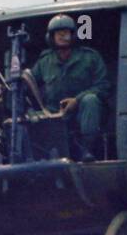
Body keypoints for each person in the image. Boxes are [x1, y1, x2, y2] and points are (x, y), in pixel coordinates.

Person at [28, 14, 111, 161]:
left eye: (65, 32)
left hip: (82, 113)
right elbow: (30, 83)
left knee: (90, 100)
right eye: (58, 33)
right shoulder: (44, 61)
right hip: (54, 113)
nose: (62, 36)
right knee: (30, 116)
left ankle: (87, 149)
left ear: (73, 35)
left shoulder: (89, 57)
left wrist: (77, 100)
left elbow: (104, 86)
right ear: (51, 37)